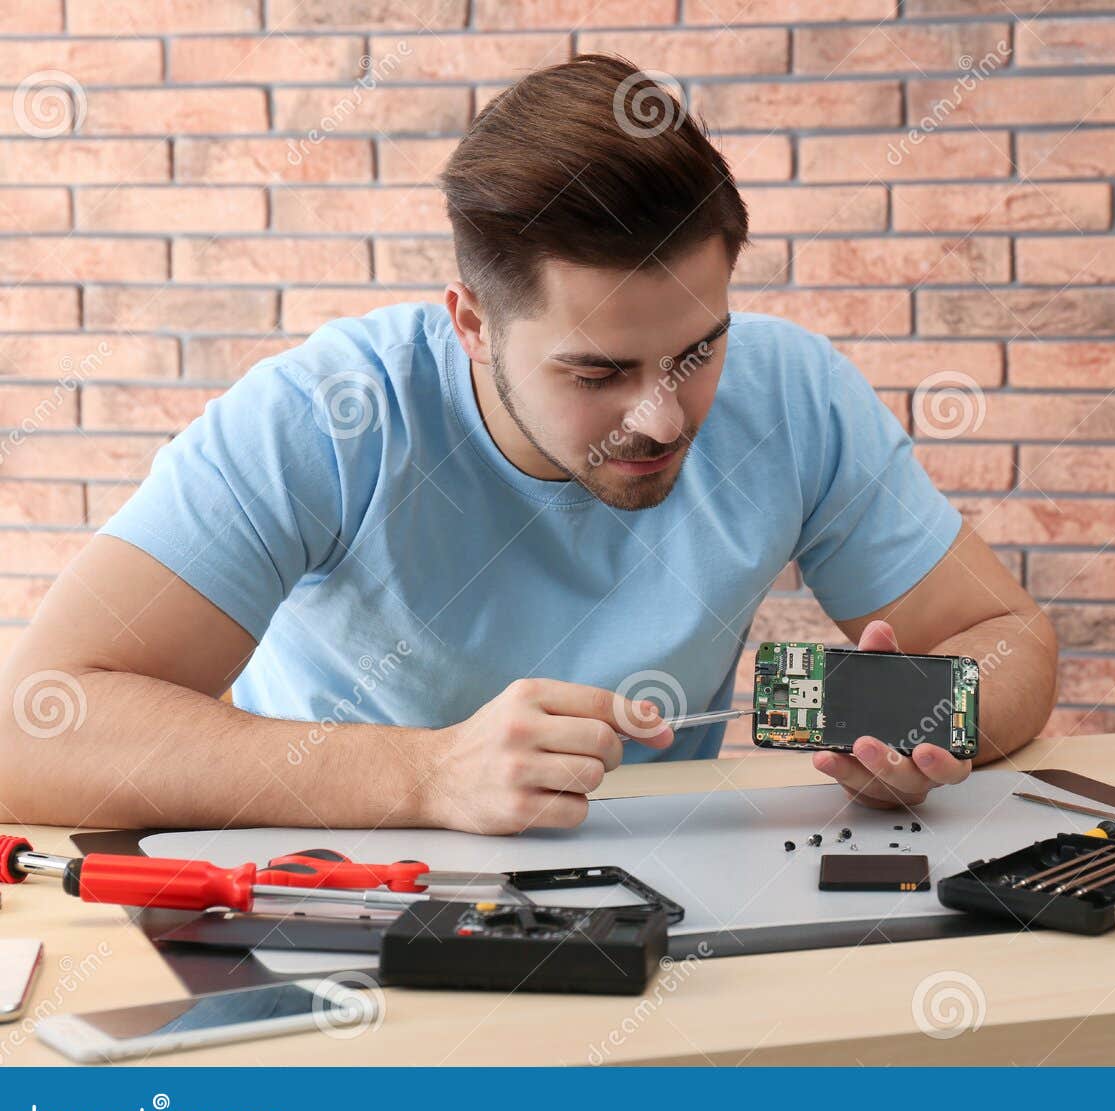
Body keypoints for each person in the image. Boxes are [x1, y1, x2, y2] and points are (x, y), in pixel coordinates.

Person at [0, 55, 1057, 835]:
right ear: (472, 323)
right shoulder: (326, 415)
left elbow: (1009, 637)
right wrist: (426, 776)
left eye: (697, 351)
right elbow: (31, 726)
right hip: (339, 901)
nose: (664, 418)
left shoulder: (794, 394)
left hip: (654, 898)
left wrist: (923, 723)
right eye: (598, 372)